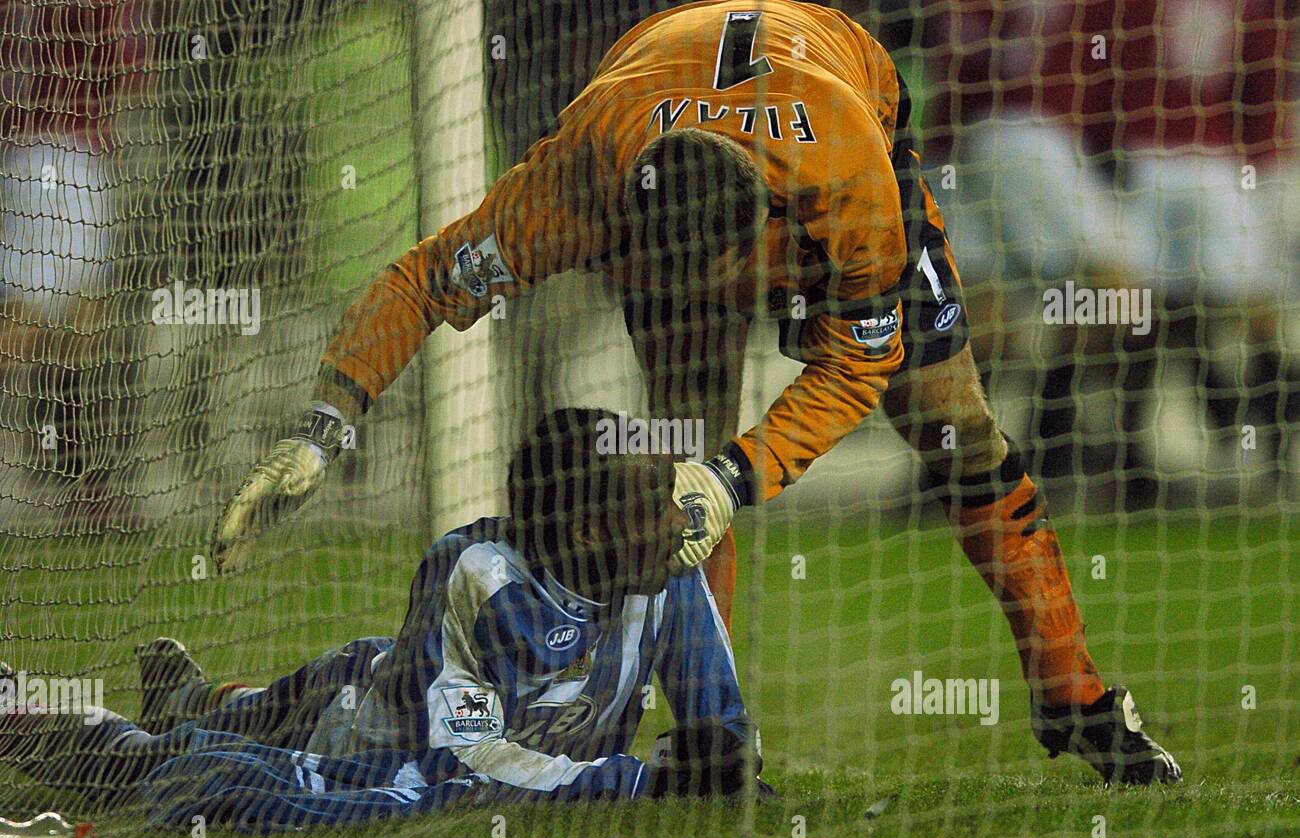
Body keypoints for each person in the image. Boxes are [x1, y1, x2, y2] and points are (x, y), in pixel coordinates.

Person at [211, 0, 1178, 783]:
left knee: (953, 426)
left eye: (710, 286)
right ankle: (718, 733)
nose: (700, 310)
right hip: (657, 92)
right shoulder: (582, 176)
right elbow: (423, 278)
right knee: (683, 449)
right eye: (662, 286)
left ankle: (1071, 692)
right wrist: (320, 432)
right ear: (622, 235)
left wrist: (738, 475)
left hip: (843, 93)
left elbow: (857, 364)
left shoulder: (847, 176)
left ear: (760, 237)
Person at [0, 409, 766, 832]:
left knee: (219, 718)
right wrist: (638, 783)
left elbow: (721, 738)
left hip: (388, 677)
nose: (680, 519)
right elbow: (463, 762)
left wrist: (718, 761)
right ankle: (15, 709)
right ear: (589, 534)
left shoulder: (667, 566)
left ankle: (189, 692)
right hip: (355, 733)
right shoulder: (479, 574)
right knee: (161, 762)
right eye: (654, 505)